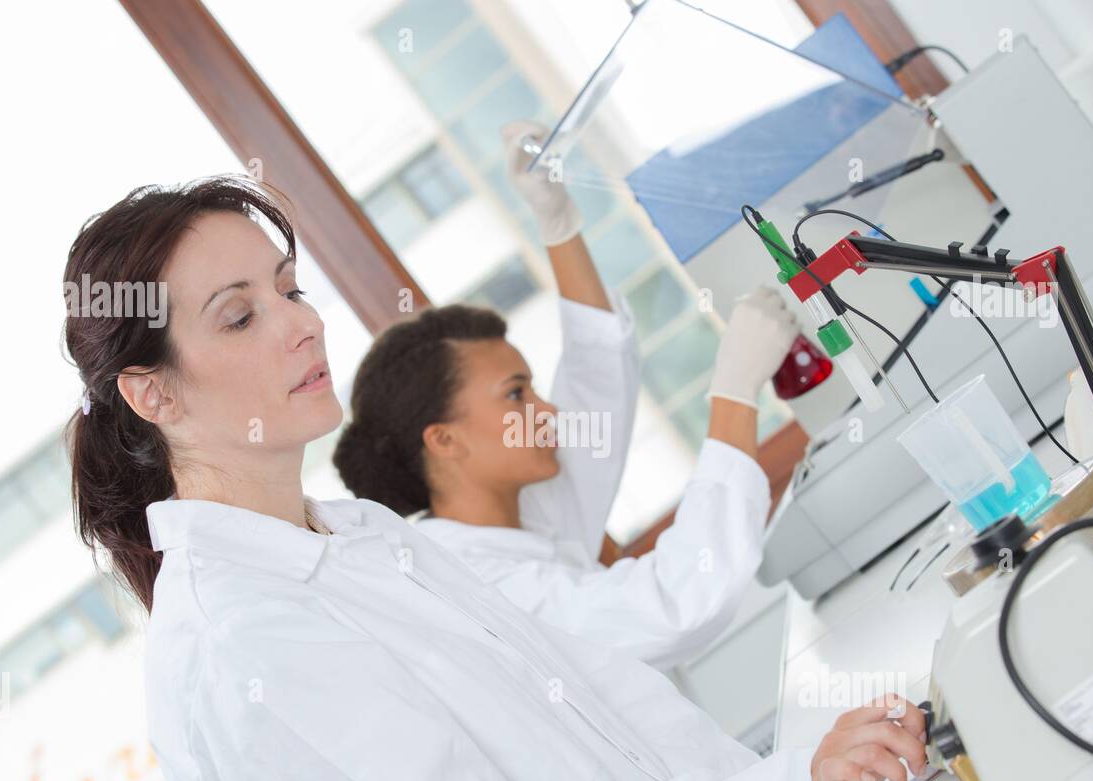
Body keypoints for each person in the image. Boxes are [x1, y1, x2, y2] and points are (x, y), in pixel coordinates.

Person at [62, 175, 927, 781]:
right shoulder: (240, 640)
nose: (304, 324)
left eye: (291, 290)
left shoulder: (361, 535)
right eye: (242, 315)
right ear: (154, 393)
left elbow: (610, 706)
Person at [335, 121, 801, 669]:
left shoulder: (525, 512)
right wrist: (735, 393)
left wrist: (556, 220)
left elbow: (597, 367)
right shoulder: (478, 587)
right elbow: (674, 606)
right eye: (516, 396)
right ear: (444, 439)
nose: (547, 411)